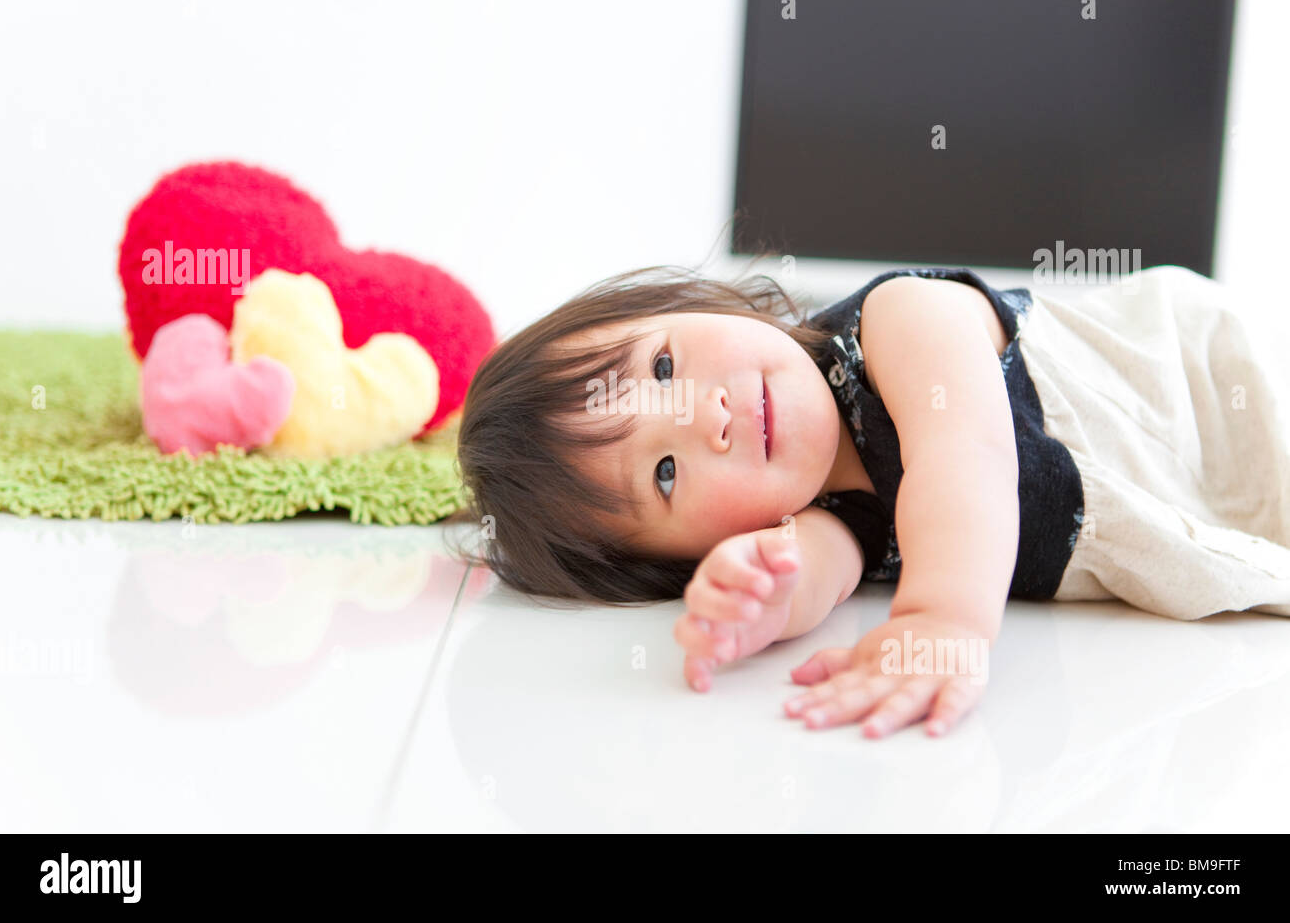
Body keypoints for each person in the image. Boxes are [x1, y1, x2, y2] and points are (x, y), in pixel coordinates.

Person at [452, 260, 1290, 739]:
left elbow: (966, 457)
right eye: (665, 474)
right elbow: (816, 570)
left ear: (686, 304)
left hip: (1219, 400)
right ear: (684, 555)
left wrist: (941, 619)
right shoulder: (823, 514)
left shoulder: (898, 320)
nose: (708, 415)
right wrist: (755, 595)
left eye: (664, 367)